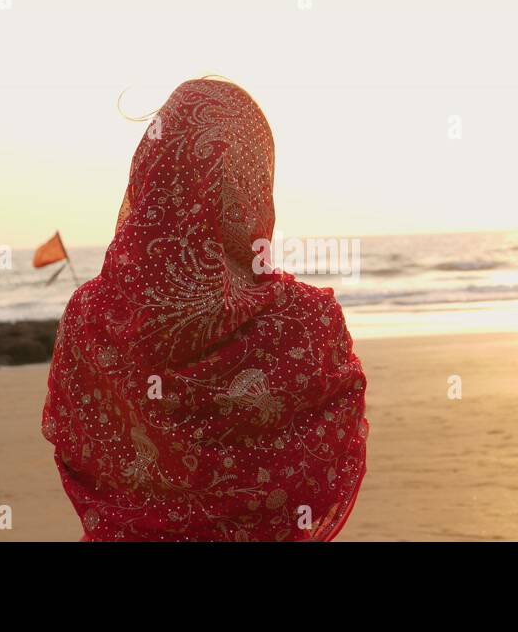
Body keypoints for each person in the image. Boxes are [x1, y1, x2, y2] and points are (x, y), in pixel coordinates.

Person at [42, 78, 368, 541]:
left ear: (151, 171)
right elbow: (323, 469)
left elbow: (81, 457)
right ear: (252, 183)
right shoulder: (306, 322)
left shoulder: (89, 319)